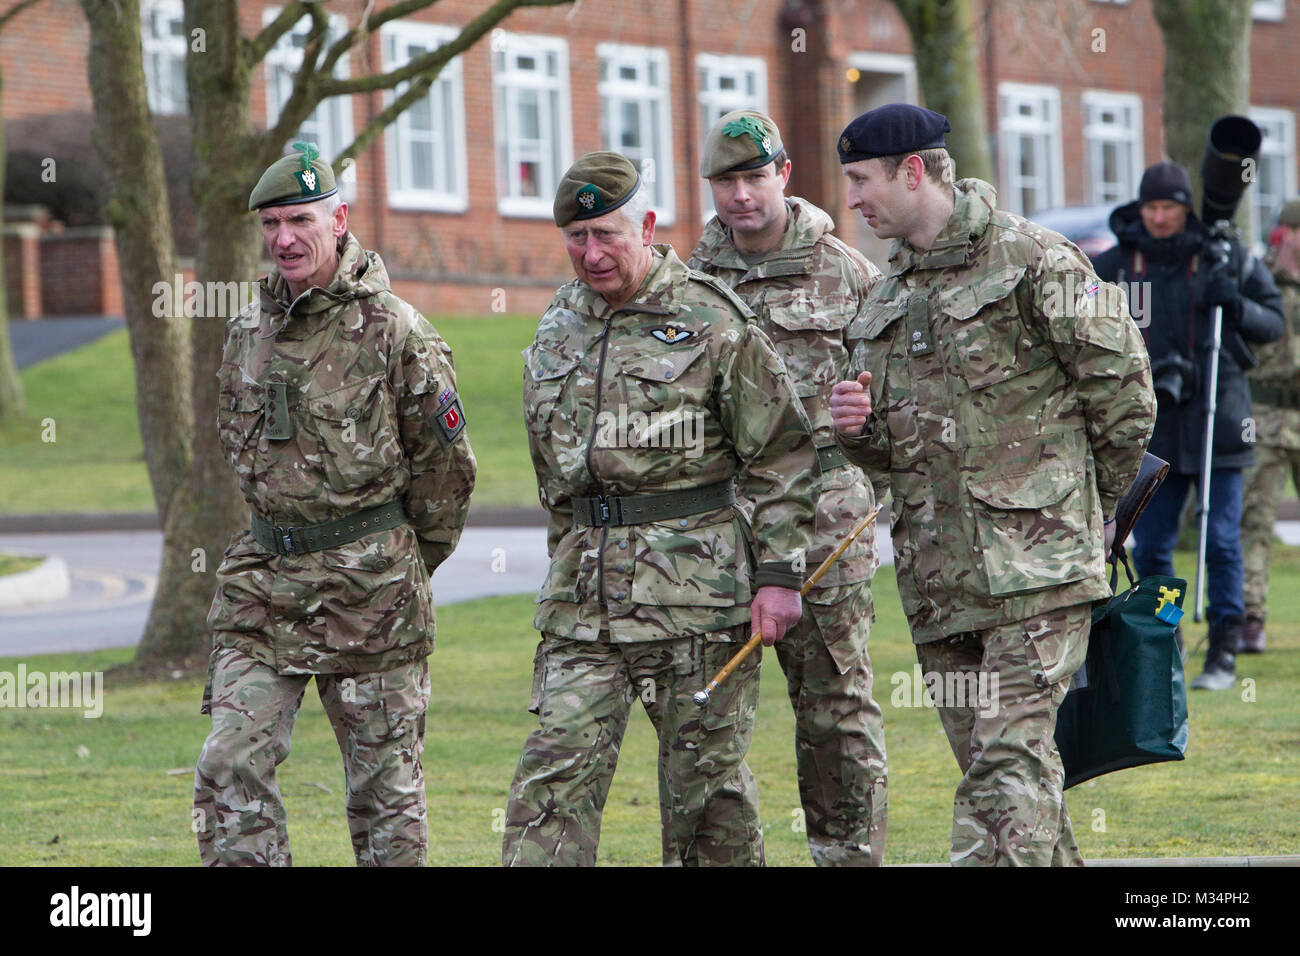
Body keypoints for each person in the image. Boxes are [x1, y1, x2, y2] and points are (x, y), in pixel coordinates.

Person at [829, 104, 1155, 866]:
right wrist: (856, 431)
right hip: (941, 586)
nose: (852, 199)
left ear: (915, 170)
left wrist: (1087, 515)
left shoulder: (1033, 259)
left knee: (1004, 775)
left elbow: (1125, 394)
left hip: (1037, 576)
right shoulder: (883, 299)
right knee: (1000, 774)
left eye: (860, 180)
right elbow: (890, 459)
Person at [501, 151, 818, 867]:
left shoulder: (710, 318)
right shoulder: (559, 325)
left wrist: (777, 574)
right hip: (583, 608)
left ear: (645, 225)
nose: (592, 254)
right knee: (550, 783)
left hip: (695, 603)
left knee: (706, 801)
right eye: (577, 239)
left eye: (607, 235)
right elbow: (553, 469)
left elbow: (782, 453)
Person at [193, 142, 477, 866]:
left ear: (339, 219)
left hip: (371, 592)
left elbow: (446, 472)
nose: (283, 239)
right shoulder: (246, 332)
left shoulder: (395, 330)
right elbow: (241, 452)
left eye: (299, 221)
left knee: (385, 800)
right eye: (271, 225)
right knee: (229, 765)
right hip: (264, 587)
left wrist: (403, 559)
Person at [687, 109, 888, 866]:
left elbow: (893, 407)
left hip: (825, 527)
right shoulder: (690, 284)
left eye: (753, 176)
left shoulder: (849, 274)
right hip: (717, 531)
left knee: (835, 710)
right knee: (704, 718)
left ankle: (847, 857)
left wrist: (865, 421)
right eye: (725, 181)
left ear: (784, 176)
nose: (740, 195)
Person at [1093, 161, 1284, 690]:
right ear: (1140, 208)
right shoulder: (1117, 265)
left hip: (1221, 422)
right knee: (1152, 547)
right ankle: (1167, 636)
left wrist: (1235, 303)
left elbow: (1274, 322)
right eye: (1151, 207)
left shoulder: (1223, 257)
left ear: (1185, 209)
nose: (1158, 218)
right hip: (1151, 428)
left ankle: (1224, 646)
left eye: (1169, 208)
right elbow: (1075, 319)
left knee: (1222, 540)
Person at [1240, 198, 1300, 653]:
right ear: (1285, 233)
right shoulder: (1257, 280)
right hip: (1262, 417)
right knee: (1255, 521)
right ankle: (1251, 618)